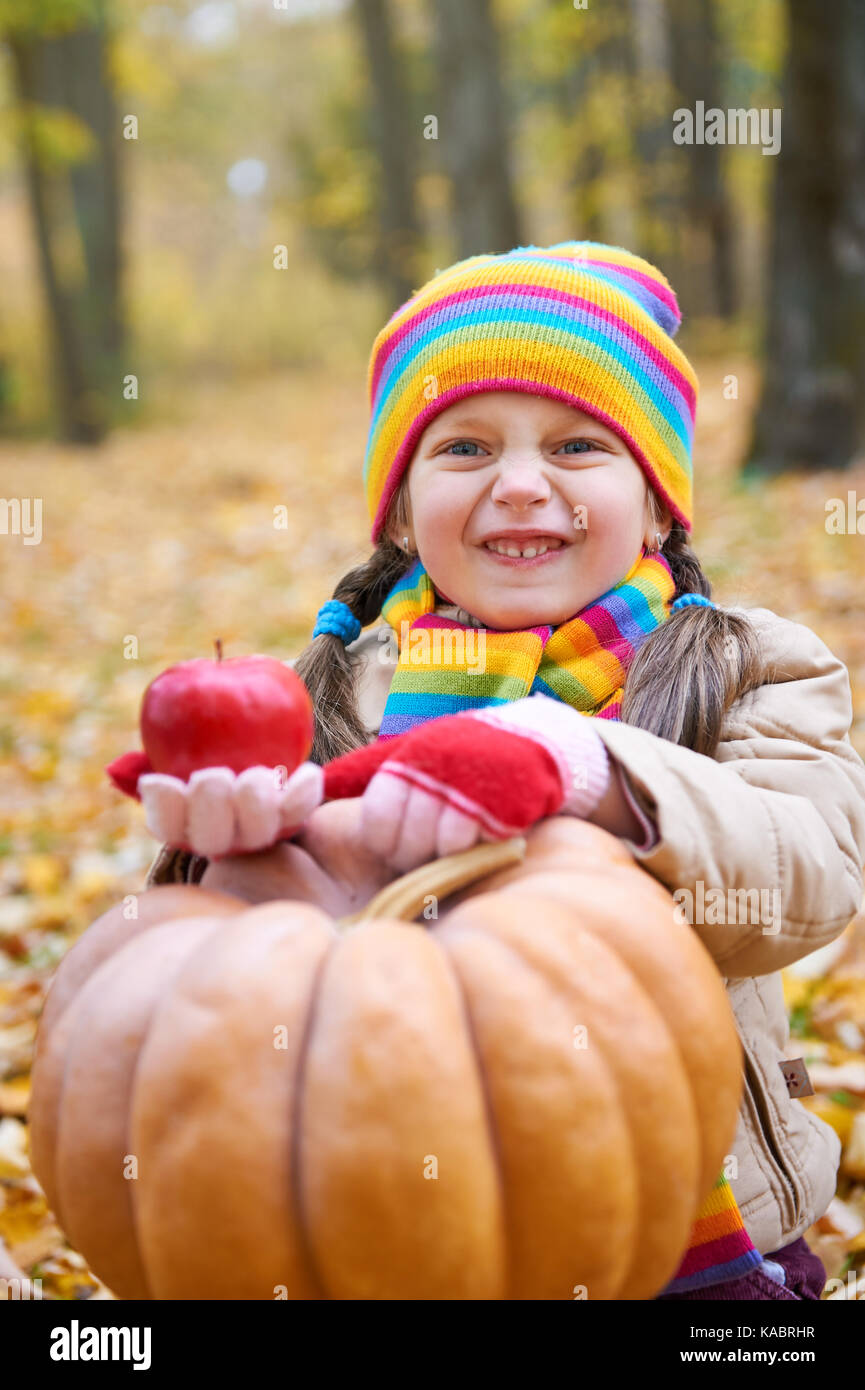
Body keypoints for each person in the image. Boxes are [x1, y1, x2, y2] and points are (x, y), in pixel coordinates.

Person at [140, 242, 865, 1299]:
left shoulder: (748, 665)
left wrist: (585, 766)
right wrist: (220, 861)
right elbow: (211, 999)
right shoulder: (333, 697)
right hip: (405, 1224)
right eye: (466, 448)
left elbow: (807, 876)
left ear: (660, 502)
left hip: (689, 1236)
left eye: (577, 446)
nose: (521, 486)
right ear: (396, 511)